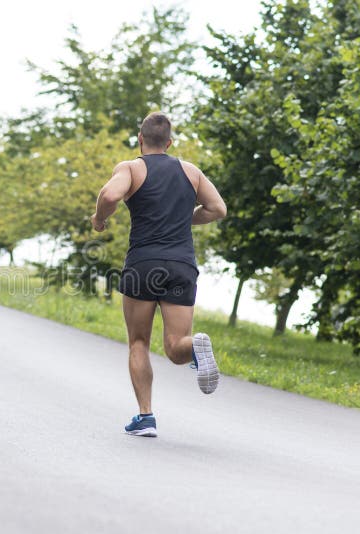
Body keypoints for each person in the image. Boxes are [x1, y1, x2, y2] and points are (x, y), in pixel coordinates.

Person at [90, 111, 227, 437]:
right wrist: (185, 219)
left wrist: (99, 218)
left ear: (140, 139)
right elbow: (218, 209)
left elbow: (110, 195)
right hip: (181, 265)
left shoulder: (131, 168)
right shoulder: (190, 171)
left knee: (139, 341)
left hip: (143, 265)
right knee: (174, 346)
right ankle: (195, 345)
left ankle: (146, 416)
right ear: (169, 142)